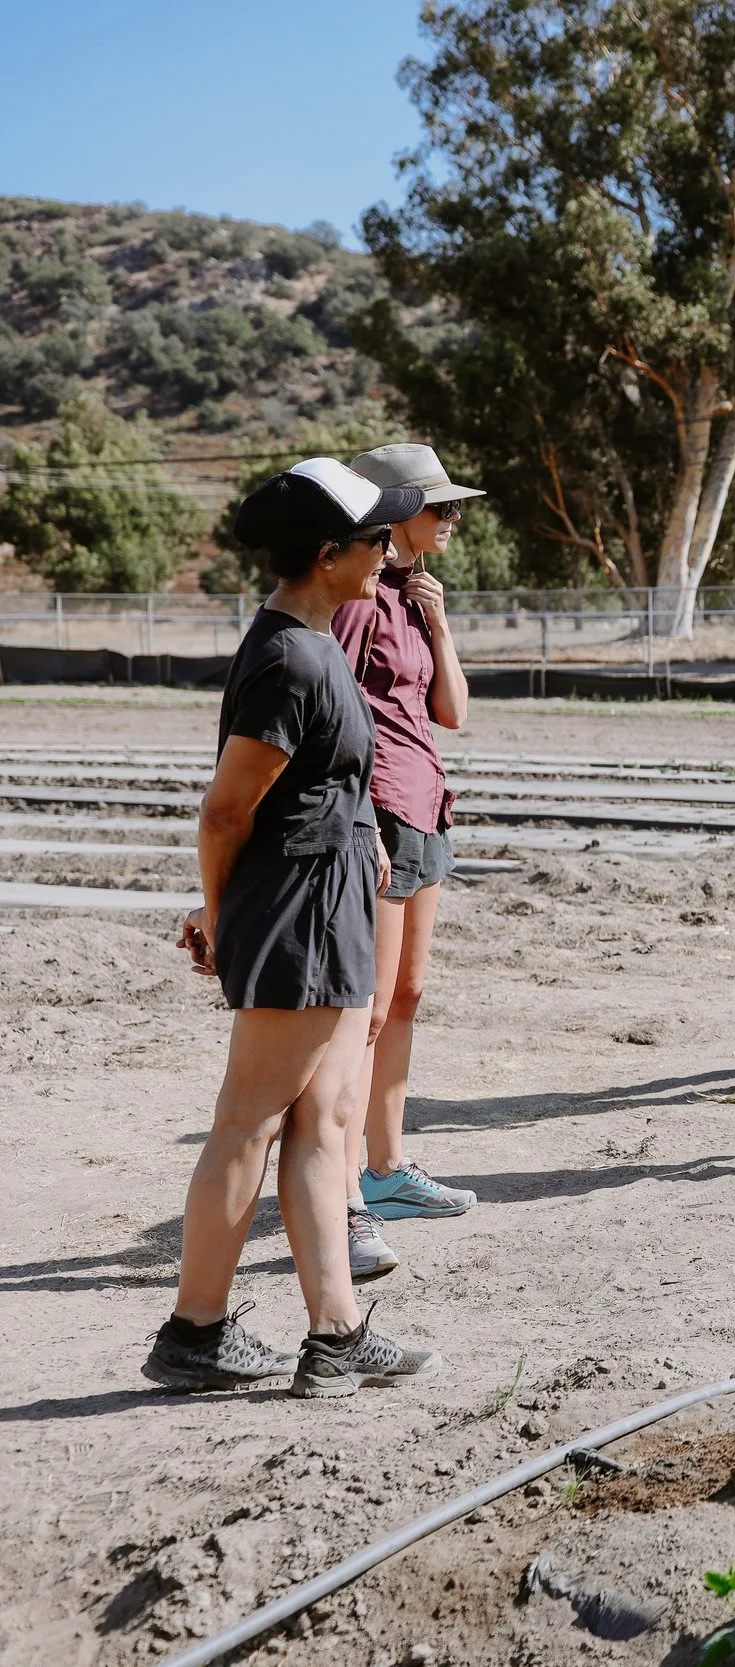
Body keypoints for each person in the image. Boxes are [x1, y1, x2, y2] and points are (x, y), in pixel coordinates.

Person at [144, 458, 442, 1398]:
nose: (386, 552)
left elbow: (319, 788)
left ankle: (338, 1335)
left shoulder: (311, 642)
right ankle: (194, 1332)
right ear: (327, 555)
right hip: (303, 913)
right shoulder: (289, 657)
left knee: (324, 1123)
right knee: (250, 1122)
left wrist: (370, 849)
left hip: (331, 899)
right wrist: (221, 916)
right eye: (372, 541)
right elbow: (227, 813)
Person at [326, 444, 483, 1285]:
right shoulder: (357, 594)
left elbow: (451, 711)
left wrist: (440, 622)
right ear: (395, 512)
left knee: (408, 995)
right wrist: (363, 822)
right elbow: (336, 708)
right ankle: (347, 1193)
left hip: (427, 804)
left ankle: (386, 1170)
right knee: (371, 1011)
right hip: (382, 809)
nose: (452, 521)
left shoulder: (416, 597)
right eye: (441, 508)